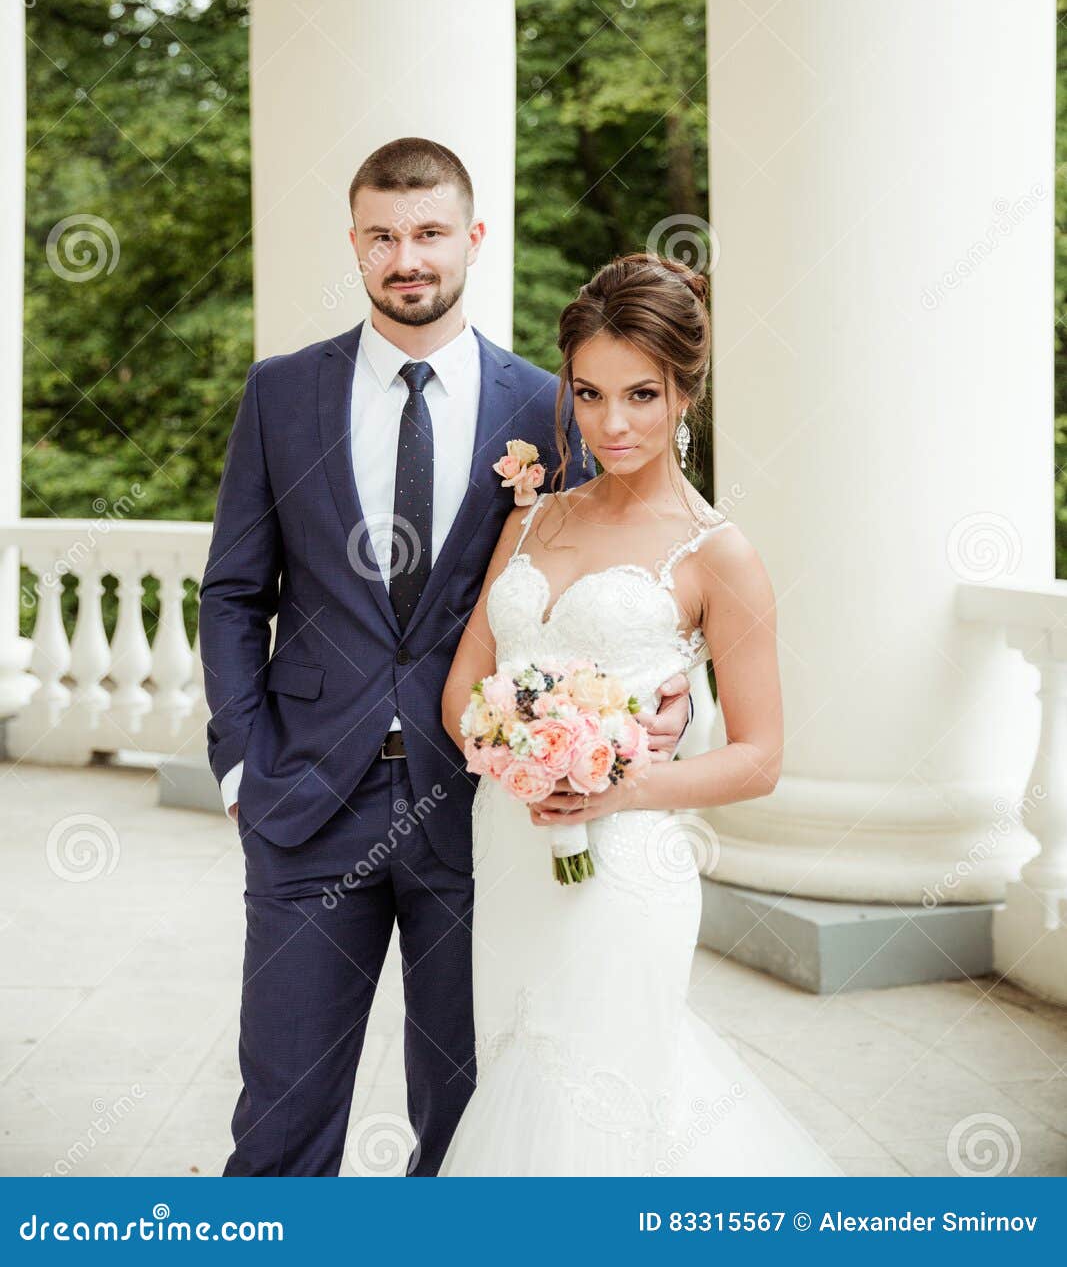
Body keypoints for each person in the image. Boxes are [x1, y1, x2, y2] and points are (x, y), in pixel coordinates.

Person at [198, 138, 693, 1176]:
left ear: (472, 239)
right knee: (281, 1114)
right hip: (304, 805)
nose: (405, 255)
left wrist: (661, 701)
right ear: (355, 246)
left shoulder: (548, 405)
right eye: (382, 235)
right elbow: (236, 593)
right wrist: (242, 758)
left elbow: (617, 568)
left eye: (428, 232)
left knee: (466, 1118)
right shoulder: (281, 394)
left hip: (483, 809)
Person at [439, 252, 845, 1177]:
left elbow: (758, 759)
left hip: (624, 871)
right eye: (587, 394)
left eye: (640, 396)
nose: (610, 423)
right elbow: (462, 685)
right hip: (507, 849)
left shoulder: (719, 555)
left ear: (683, 397)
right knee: (517, 1068)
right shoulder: (531, 521)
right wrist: (517, 752)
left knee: (597, 1091)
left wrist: (610, 787)